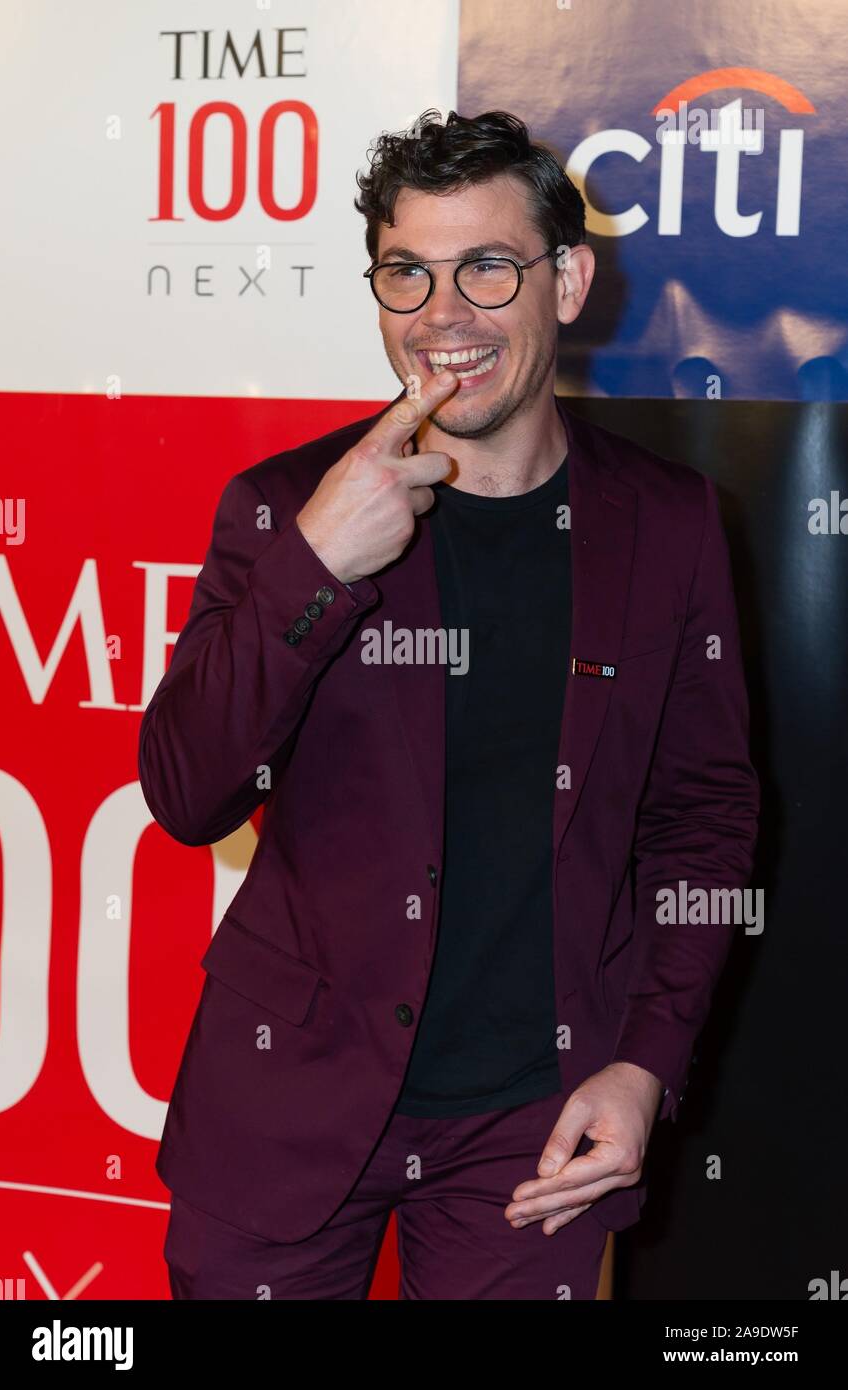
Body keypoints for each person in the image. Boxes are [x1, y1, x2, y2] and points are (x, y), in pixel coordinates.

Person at [139, 109, 759, 1300]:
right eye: (405, 272)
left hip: (529, 1138)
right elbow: (185, 788)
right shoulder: (285, 508)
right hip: (287, 1110)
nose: (441, 315)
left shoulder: (666, 524)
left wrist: (644, 1062)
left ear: (566, 279)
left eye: (485, 266)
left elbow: (705, 817)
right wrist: (316, 561)